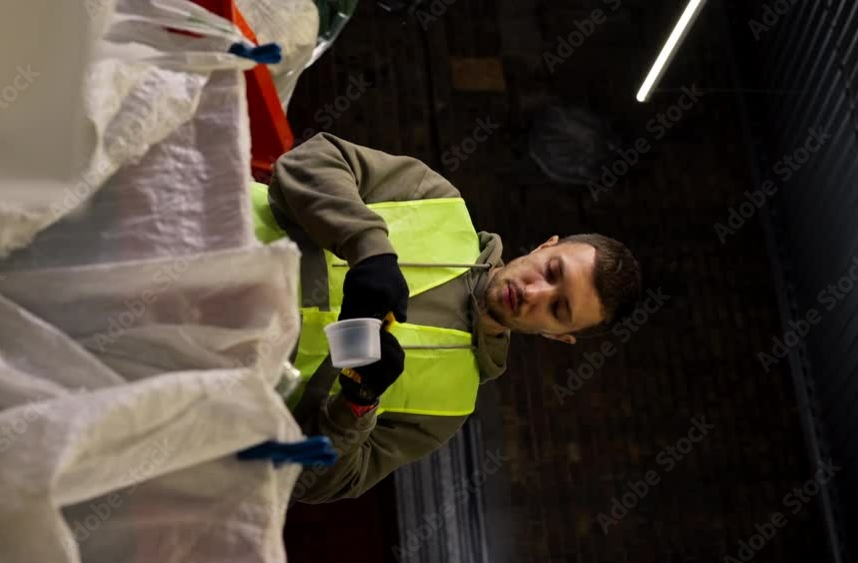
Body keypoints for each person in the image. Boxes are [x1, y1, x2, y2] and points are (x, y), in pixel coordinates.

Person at [250, 133, 641, 503]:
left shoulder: (448, 408)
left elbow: (312, 483)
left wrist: (356, 404)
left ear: (558, 336)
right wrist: (367, 247)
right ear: (545, 246)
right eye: (552, 271)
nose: (534, 293)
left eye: (558, 309)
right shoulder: (437, 200)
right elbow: (308, 160)